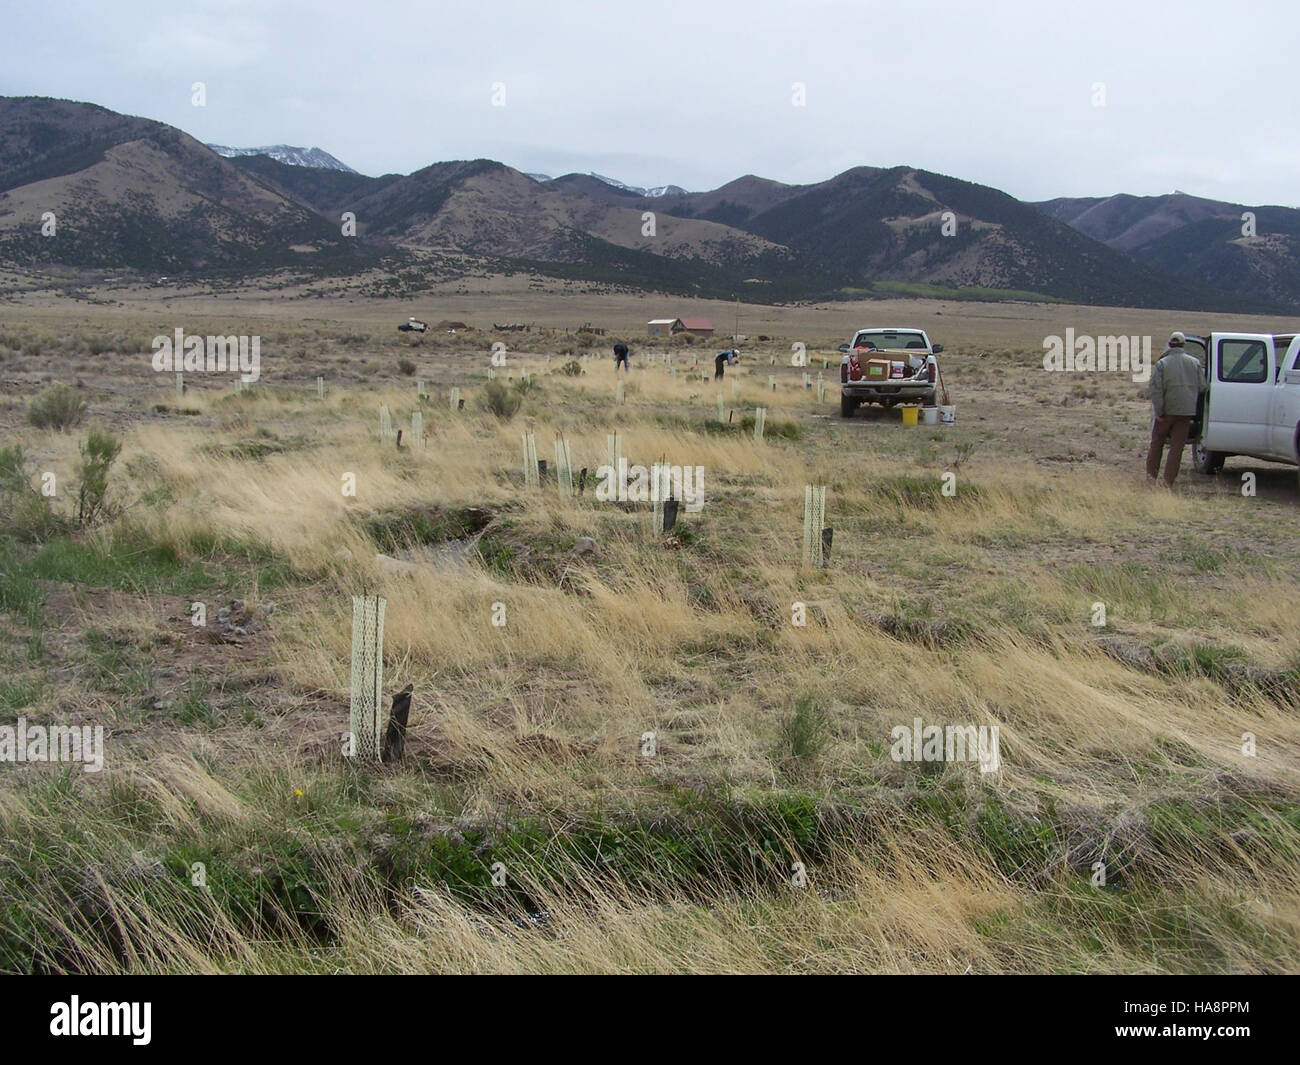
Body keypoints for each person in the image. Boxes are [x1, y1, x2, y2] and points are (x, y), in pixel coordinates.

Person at [1145, 331, 1207, 486]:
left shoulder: (1162, 363)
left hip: (1166, 412)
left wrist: (1159, 412)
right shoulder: (1195, 362)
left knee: (1157, 443)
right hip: (1186, 412)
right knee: (1176, 448)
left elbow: (1156, 389)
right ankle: (1168, 482)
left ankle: (1151, 479)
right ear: (1183, 344)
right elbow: (1202, 386)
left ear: (1170, 344)